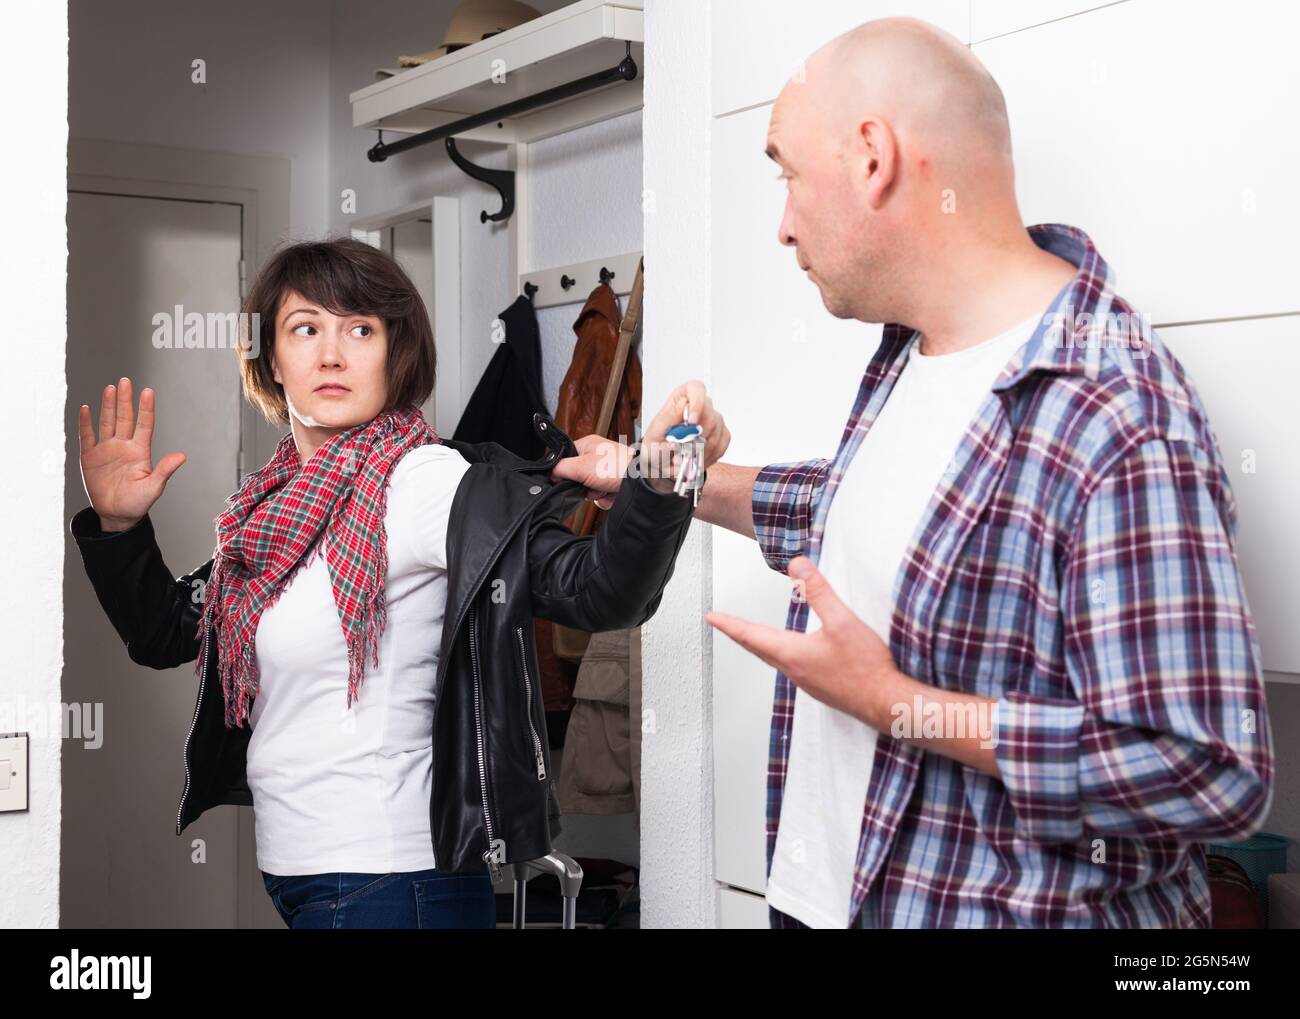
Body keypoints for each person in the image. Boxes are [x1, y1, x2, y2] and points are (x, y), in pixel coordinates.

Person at [557, 17, 1274, 928]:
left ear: (871, 157)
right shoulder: (917, 353)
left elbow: (1208, 769)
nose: (781, 225)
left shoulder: (1117, 408)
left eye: (787, 172)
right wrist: (657, 471)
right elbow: (876, 514)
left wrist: (899, 705)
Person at [70, 237, 728, 929]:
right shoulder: (273, 509)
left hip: (393, 881)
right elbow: (168, 629)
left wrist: (664, 476)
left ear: (397, 352)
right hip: (309, 875)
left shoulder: (422, 482)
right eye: (305, 329)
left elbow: (599, 590)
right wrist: (118, 527)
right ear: (271, 358)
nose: (331, 353)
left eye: (360, 329)